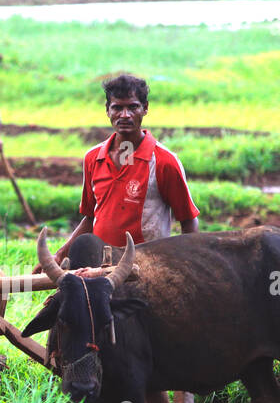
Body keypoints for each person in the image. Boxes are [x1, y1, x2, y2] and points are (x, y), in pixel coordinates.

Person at [54, 72, 198, 261]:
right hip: (101, 264)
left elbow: (188, 221)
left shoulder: (164, 161)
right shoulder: (93, 158)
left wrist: (188, 263)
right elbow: (91, 218)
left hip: (148, 266)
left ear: (145, 108)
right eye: (117, 108)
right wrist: (58, 255)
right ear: (107, 110)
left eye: (133, 107)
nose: (125, 115)